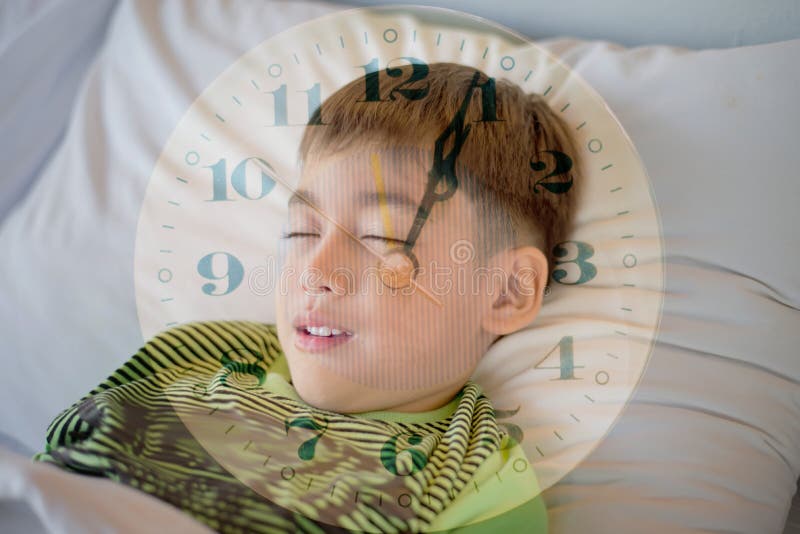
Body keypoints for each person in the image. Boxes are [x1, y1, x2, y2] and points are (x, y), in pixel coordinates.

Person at [32, 62, 581, 533]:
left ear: (506, 292)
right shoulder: (198, 354)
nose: (315, 271)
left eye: (380, 237)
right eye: (301, 233)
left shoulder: (478, 481)